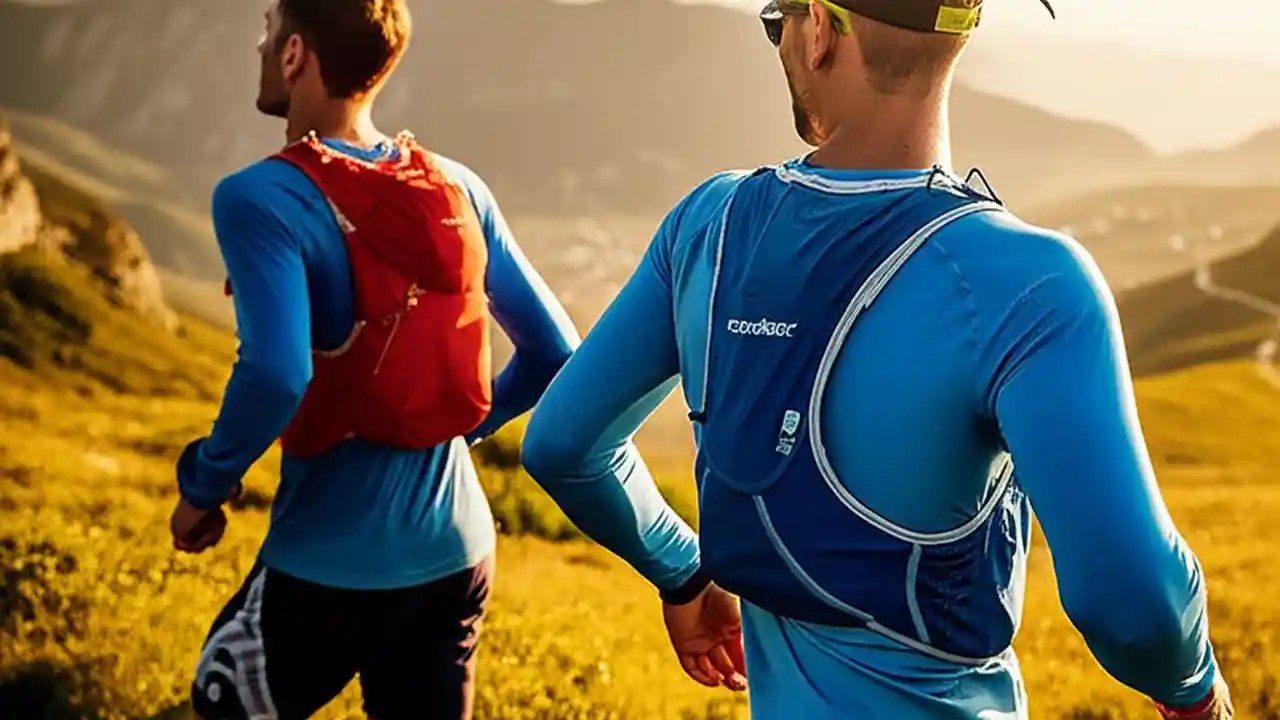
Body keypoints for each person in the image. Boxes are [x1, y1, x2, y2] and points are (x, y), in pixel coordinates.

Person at [520, 1, 1233, 718]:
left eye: (778, 20)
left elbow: (565, 445)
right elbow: (1133, 605)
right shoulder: (1030, 282)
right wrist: (1195, 689)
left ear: (823, 31)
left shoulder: (707, 224)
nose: (782, 42)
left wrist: (683, 573)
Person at [166, 1, 579, 717]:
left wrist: (203, 486)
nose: (261, 46)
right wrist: (455, 427)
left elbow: (275, 373)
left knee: (219, 701)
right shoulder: (456, 186)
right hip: (459, 555)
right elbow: (552, 350)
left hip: (328, 564)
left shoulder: (260, 196)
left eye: (268, 31)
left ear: (294, 54)